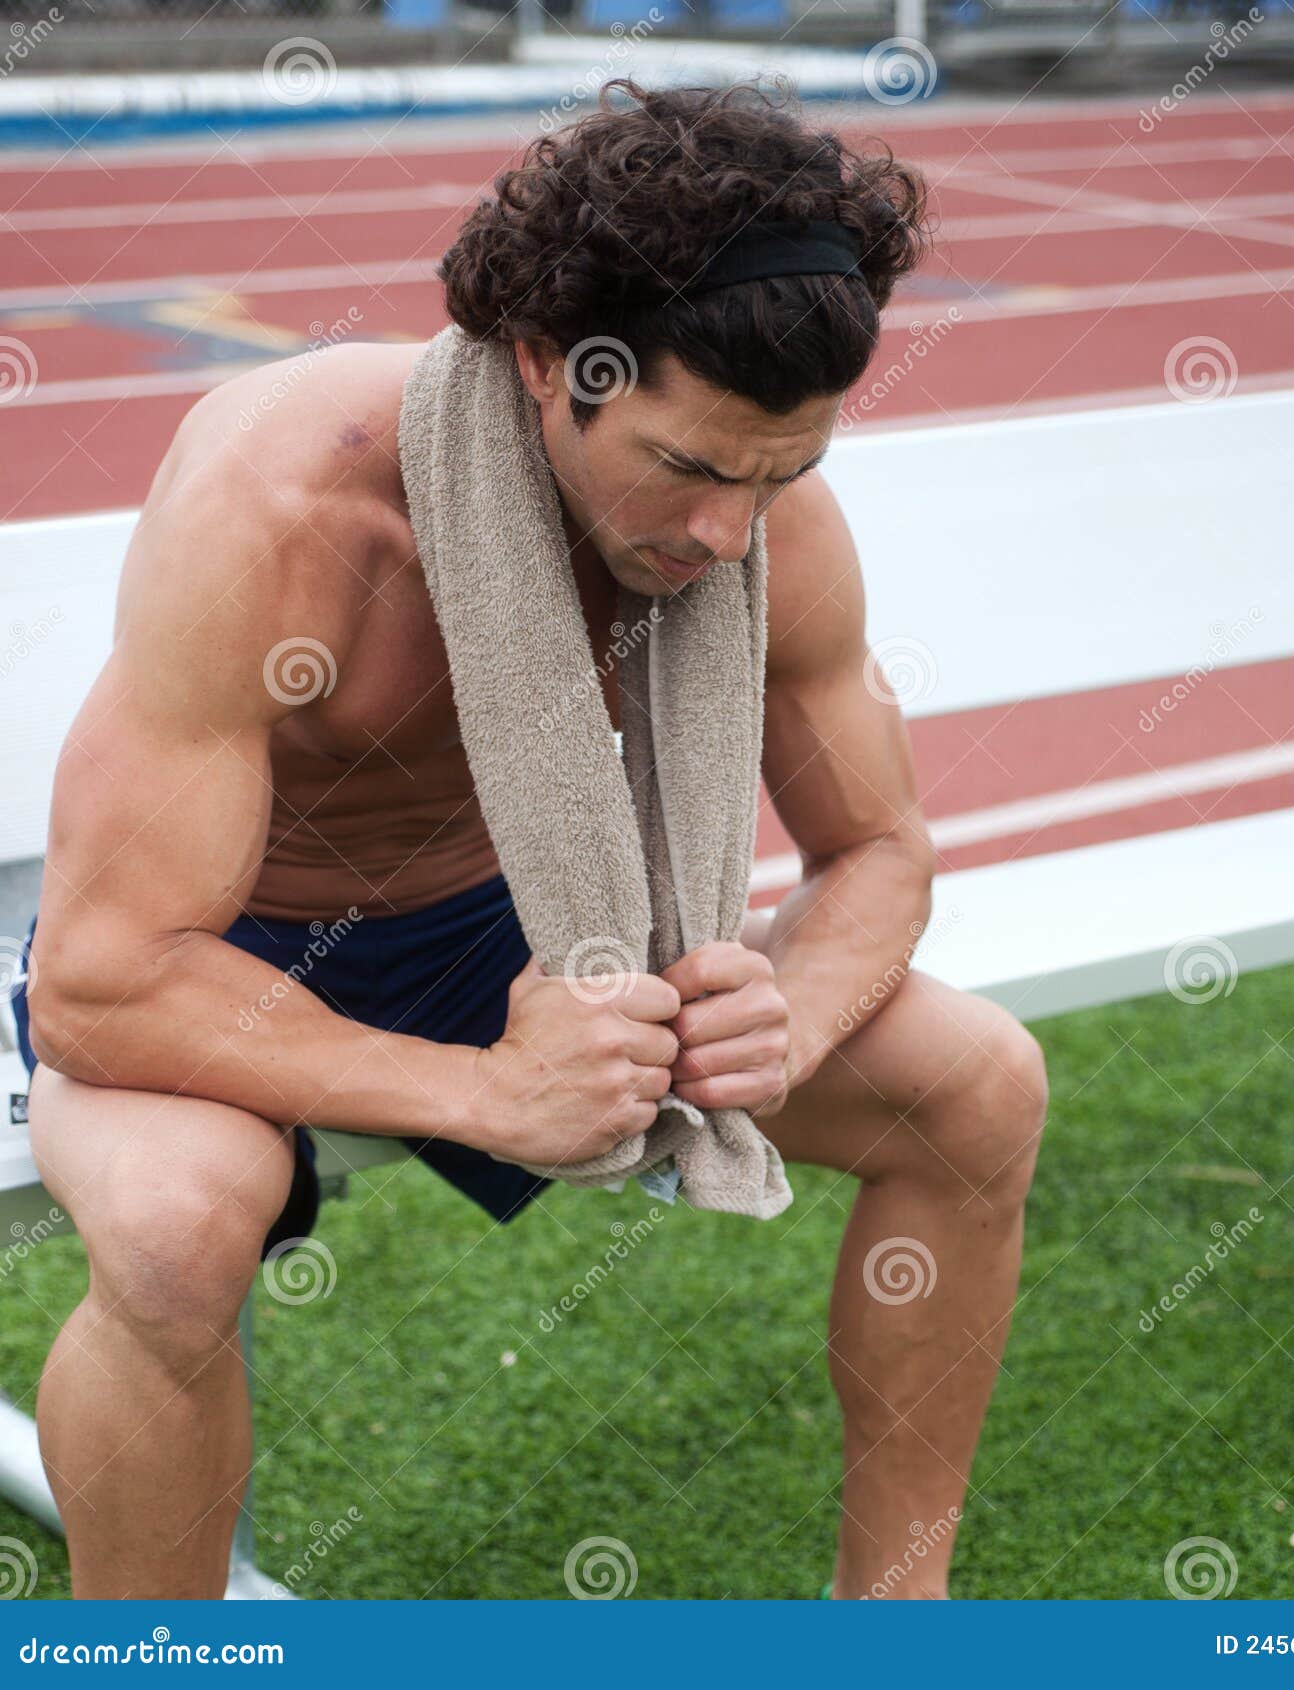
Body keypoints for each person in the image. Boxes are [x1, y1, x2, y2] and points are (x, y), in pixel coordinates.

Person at [12, 78, 1047, 1600]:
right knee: (177, 1232)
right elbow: (103, 977)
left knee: (977, 1088)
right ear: (549, 361)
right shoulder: (282, 503)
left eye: (780, 474)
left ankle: (891, 1618)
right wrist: (487, 1090)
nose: (724, 542)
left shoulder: (756, 512)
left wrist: (788, 1015)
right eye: (687, 469)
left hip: (515, 921)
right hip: (214, 945)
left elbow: (877, 849)